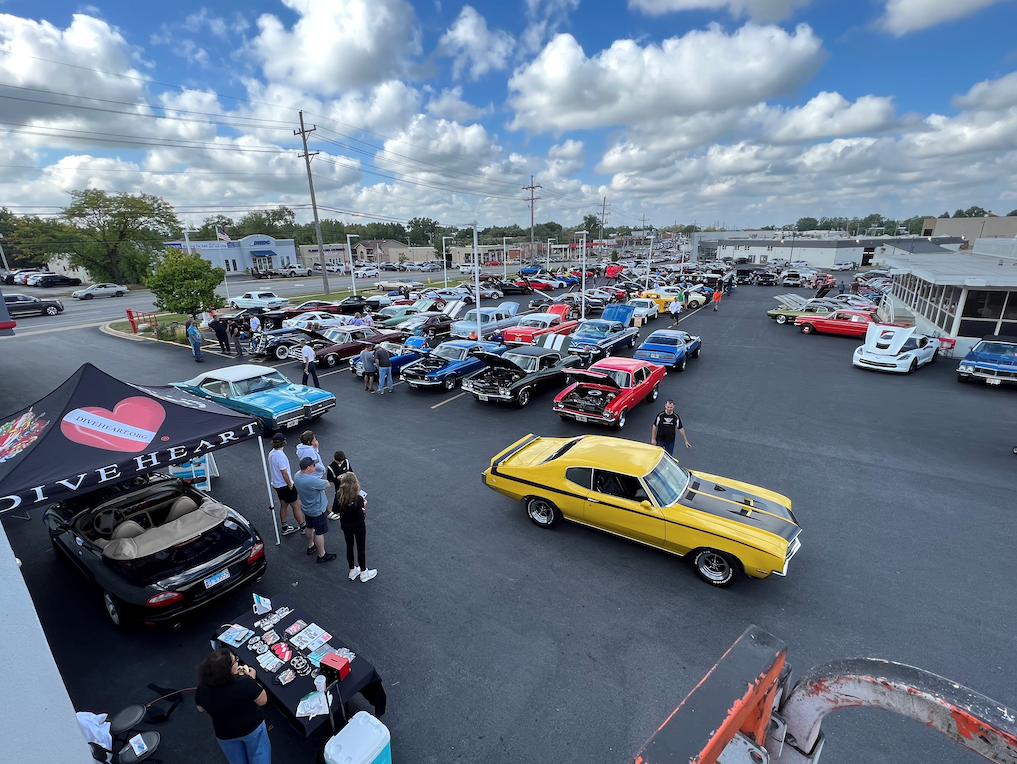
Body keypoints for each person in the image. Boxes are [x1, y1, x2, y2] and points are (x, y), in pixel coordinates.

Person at [195, 649, 270, 764]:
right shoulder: (245, 683)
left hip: (225, 733)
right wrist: (251, 679)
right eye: (235, 662)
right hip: (252, 728)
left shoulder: (203, 687)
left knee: (236, 761)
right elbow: (263, 701)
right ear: (227, 670)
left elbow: (200, 708)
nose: (237, 663)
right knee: (259, 755)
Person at [293, 457, 337, 563]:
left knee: (309, 527)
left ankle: (310, 546)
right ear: (308, 468)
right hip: (317, 509)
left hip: (306, 507)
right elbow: (327, 484)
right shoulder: (312, 481)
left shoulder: (297, 475)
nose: (315, 466)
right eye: (313, 465)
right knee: (319, 532)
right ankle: (321, 554)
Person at [336, 472, 376, 583]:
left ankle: (352, 569)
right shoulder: (358, 499)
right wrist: (363, 507)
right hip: (358, 527)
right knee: (360, 548)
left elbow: (335, 509)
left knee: (349, 546)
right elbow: (360, 517)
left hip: (345, 525)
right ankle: (364, 571)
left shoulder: (339, 495)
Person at [267, 434, 304, 536]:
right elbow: (284, 473)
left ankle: (285, 526)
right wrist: (290, 485)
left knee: (284, 504)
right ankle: (303, 526)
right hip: (284, 485)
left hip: (276, 484)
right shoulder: (281, 456)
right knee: (296, 505)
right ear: (284, 442)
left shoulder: (272, 453)